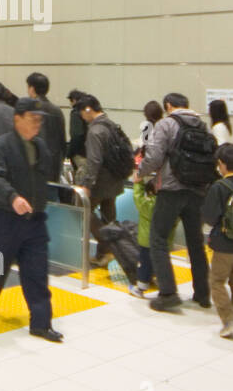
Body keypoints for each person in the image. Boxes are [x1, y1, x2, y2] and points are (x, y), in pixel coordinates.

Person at [0, 98, 63, 343]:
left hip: (34, 223)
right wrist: (13, 198)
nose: (38, 124)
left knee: (37, 273)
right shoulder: (0, 146)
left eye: (40, 119)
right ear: (18, 118)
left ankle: (41, 323)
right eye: (33, 119)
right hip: (5, 222)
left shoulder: (41, 147)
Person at [138, 92, 213, 312]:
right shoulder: (203, 125)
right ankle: (203, 293)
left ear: (168, 106)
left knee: (158, 238)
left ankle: (168, 292)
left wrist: (141, 173)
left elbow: (154, 157)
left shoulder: (166, 124)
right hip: (198, 190)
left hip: (171, 189)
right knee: (196, 242)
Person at [202, 143, 233, 339]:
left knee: (216, 281)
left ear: (221, 164)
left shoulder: (219, 187)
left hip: (224, 243)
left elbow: (210, 216)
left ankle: (230, 321)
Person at [73, 95, 128, 267]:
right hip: (115, 179)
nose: (82, 116)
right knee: (108, 214)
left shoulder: (95, 130)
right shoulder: (112, 125)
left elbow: (94, 161)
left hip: (100, 181)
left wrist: (87, 185)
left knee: (82, 209)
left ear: (88, 109)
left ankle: (107, 243)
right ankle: (104, 254)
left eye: (82, 112)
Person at [25, 72, 66, 172]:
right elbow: (62, 140)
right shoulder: (57, 110)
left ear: (32, 88)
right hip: (54, 163)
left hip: (36, 164)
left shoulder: (30, 109)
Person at [66, 89, 88, 173]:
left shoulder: (75, 113)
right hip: (88, 152)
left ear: (74, 100)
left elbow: (76, 134)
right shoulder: (87, 112)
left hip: (79, 153)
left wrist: (70, 153)